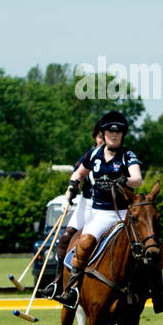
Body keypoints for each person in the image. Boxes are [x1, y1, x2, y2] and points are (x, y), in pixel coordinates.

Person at [57, 112, 163, 313]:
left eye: (118, 132)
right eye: (110, 132)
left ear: (123, 135)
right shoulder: (94, 155)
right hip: (100, 213)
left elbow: (138, 179)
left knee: (153, 246)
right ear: (104, 133)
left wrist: (123, 179)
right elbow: (79, 172)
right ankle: (72, 290)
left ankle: (158, 295)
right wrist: (73, 185)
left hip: (125, 214)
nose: (114, 135)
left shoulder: (127, 156)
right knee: (84, 244)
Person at [39, 120, 103, 299]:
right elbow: (77, 178)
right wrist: (70, 193)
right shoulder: (88, 157)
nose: (102, 141)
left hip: (109, 207)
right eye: (99, 137)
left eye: (104, 137)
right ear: (95, 137)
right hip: (87, 204)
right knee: (66, 237)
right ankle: (58, 282)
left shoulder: (117, 158)